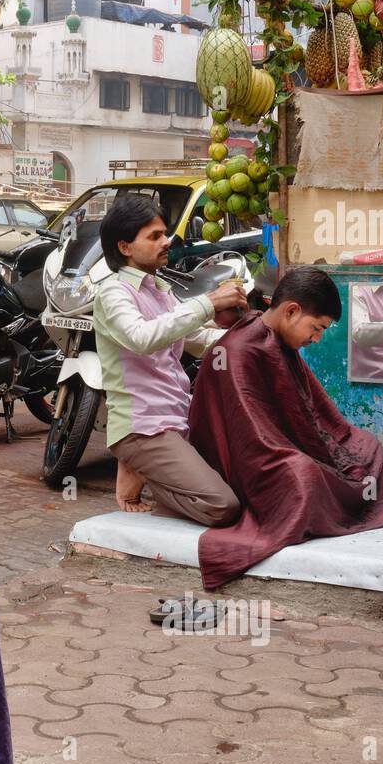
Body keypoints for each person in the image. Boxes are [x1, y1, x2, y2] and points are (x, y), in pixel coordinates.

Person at [187, 267, 383, 589]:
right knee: (303, 477)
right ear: (291, 311)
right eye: (316, 328)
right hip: (246, 462)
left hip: (282, 445)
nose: (315, 339)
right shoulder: (237, 350)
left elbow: (315, 412)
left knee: (367, 446)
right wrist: (305, 456)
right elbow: (250, 435)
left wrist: (331, 446)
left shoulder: (282, 342)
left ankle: (332, 481)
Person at [92, 193, 247, 525]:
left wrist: (256, 334)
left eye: (164, 233)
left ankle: (146, 468)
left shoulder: (160, 289)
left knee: (246, 480)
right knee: (222, 506)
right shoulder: (113, 293)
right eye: (154, 236)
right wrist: (209, 302)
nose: (167, 241)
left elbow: (198, 339)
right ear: (125, 247)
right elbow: (142, 338)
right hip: (142, 428)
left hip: (178, 417)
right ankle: (145, 472)